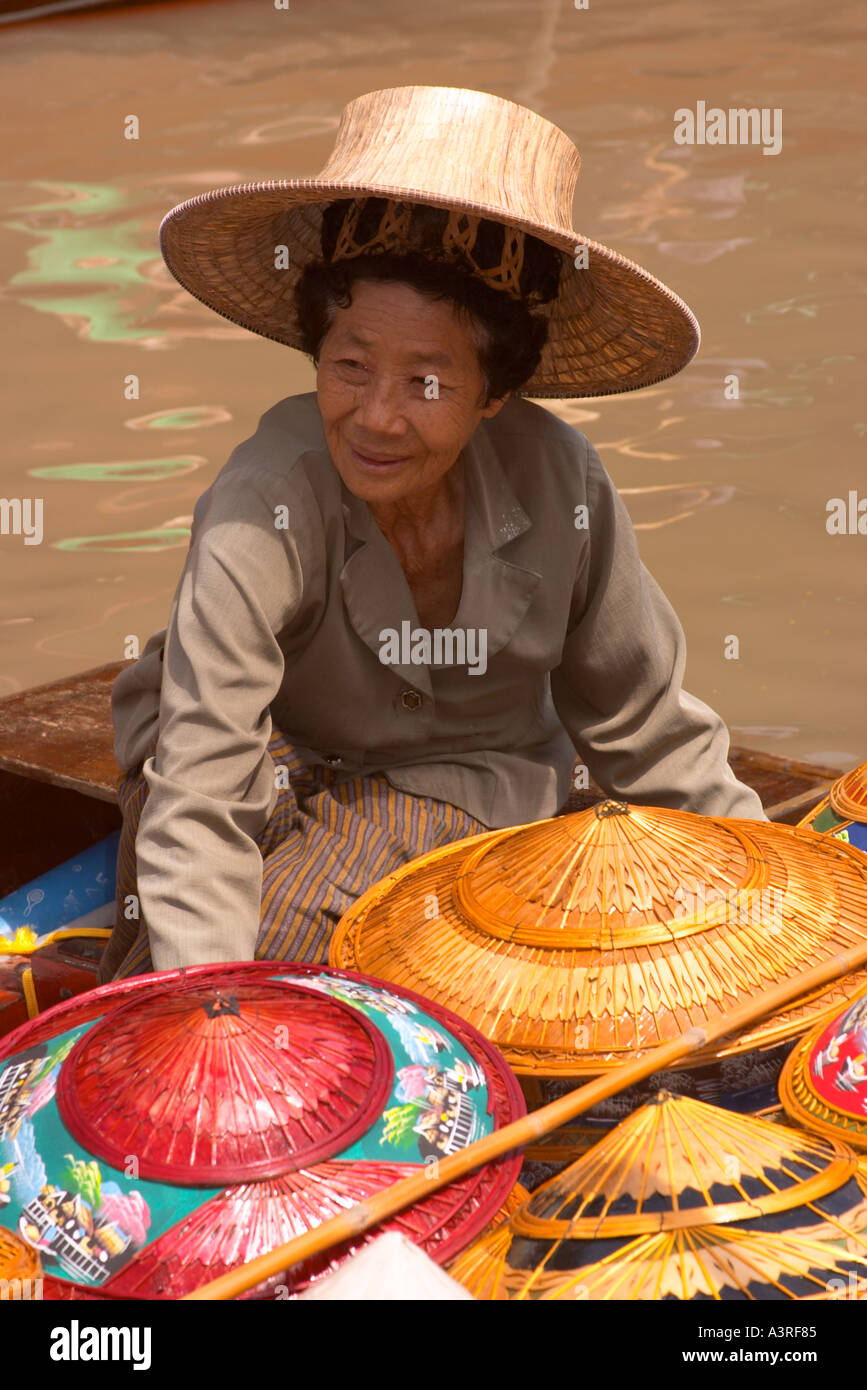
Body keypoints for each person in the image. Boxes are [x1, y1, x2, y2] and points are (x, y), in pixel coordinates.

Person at [98, 84, 765, 983]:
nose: (375, 417)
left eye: (427, 382)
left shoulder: (563, 481)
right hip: (261, 767)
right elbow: (203, 783)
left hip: (472, 785)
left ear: (495, 394)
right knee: (247, 979)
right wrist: (209, 1011)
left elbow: (644, 731)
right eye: (350, 365)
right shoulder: (265, 496)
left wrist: (765, 889)